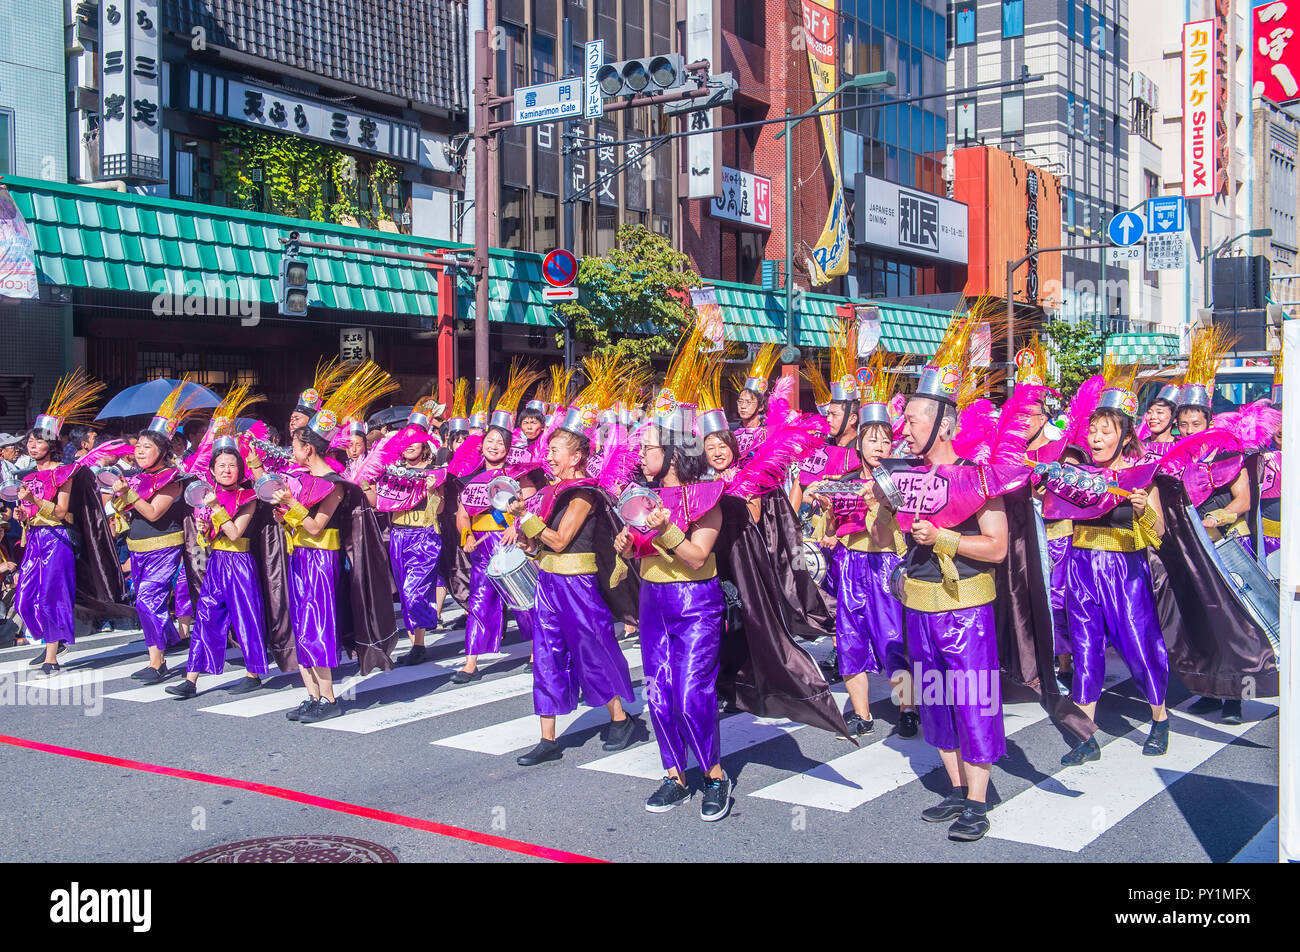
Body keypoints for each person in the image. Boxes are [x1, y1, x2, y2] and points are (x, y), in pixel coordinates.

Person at [886, 315, 1009, 842]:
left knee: (973, 696)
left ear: (943, 424)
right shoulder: (903, 475)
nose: (904, 429)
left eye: (913, 420)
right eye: (905, 420)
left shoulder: (980, 474)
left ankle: (979, 800)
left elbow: (998, 547)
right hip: (919, 604)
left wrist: (945, 539)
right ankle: (957, 789)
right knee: (933, 697)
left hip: (965, 606)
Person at [614, 328, 732, 821]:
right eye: (640, 448)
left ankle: (714, 775)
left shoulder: (707, 496)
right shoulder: (640, 497)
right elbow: (633, 561)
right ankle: (673, 774)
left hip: (696, 602)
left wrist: (664, 532)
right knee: (659, 694)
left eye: (649, 447)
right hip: (653, 603)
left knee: (691, 693)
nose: (641, 455)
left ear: (674, 448)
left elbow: (695, 557)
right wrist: (624, 548)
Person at [1050, 363, 1170, 764]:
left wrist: (1142, 510)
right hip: (1081, 567)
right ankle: (1086, 735)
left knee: (1139, 644)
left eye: (1106, 432)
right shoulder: (1077, 474)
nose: (1097, 438)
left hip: (1125, 573)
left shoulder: (1140, 476)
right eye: (1093, 431)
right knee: (1085, 649)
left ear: (1124, 437)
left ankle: (1159, 717)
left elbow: (1159, 534)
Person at [510, 396, 639, 766]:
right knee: (547, 656)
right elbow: (544, 547)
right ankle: (547, 738)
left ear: (577, 456)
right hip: (549, 583)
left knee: (592, 651)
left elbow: (562, 539)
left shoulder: (584, 492)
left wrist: (526, 521)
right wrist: (528, 543)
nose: (549, 456)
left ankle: (620, 718)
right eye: (548, 449)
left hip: (579, 587)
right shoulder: (552, 491)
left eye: (555, 450)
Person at [279, 361, 398, 723]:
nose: (293, 448)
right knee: (300, 624)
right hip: (299, 557)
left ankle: (329, 698)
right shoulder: (298, 478)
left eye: (297, 444)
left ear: (309, 450)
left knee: (317, 625)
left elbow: (316, 526)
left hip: (320, 560)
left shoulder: (333, 483)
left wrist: (290, 506)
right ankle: (312, 695)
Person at [820, 352, 914, 738]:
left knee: (894, 640)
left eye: (885, 439)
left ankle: (908, 708)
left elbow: (899, 531)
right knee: (850, 637)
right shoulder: (842, 478)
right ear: (858, 443)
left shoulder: (902, 479)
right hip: (850, 566)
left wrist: (882, 500)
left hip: (887, 567)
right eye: (871, 439)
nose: (878, 446)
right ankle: (862, 713)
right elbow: (830, 530)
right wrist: (827, 524)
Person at [13, 371, 106, 674]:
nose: (32, 444)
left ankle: (51, 654)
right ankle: (54, 639)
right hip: (34, 540)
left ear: (50, 444)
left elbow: (63, 512)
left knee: (53, 595)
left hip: (57, 540)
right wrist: (22, 514)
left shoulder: (64, 473)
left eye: (38, 440)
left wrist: (36, 502)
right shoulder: (26, 477)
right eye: (29, 440)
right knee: (25, 597)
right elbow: (30, 513)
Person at [453, 363, 541, 681]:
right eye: (489, 440)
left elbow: (531, 498)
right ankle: (470, 662)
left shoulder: (518, 474)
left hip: (509, 542)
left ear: (507, 447)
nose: (493, 445)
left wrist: (515, 528)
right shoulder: (471, 476)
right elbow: (463, 512)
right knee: (479, 600)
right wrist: (466, 534)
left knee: (521, 598)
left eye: (499, 442)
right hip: (481, 546)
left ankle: (536, 651)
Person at [111, 379, 203, 682]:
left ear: (162, 451)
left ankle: (160, 658)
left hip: (164, 549)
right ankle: (160, 654)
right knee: (144, 602)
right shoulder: (137, 477)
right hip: (138, 548)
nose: (138, 451)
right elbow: (128, 515)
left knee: (148, 600)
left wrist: (129, 495)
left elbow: (153, 511)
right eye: (137, 446)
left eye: (146, 447)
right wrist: (119, 498)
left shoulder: (172, 478)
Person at [167, 434, 269, 698]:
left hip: (240, 563)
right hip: (216, 564)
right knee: (205, 616)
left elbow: (235, 533)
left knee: (246, 618)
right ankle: (191, 679)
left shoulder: (248, 496)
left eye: (232, 465)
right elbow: (208, 540)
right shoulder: (208, 496)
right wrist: (203, 530)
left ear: (240, 469)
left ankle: (253, 673)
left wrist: (215, 510)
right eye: (221, 465)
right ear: (212, 470)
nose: (226, 469)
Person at [362, 403, 444, 665]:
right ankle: (417, 645)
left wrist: (432, 490)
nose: (410, 445)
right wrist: (365, 484)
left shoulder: (434, 472)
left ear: (425, 445)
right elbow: (377, 502)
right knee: (406, 594)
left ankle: (423, 632)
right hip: (398, 535)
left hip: (424, 536)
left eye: (416, 440)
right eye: (405, 439)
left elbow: (440, 508)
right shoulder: (390, 473)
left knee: (413, 591)